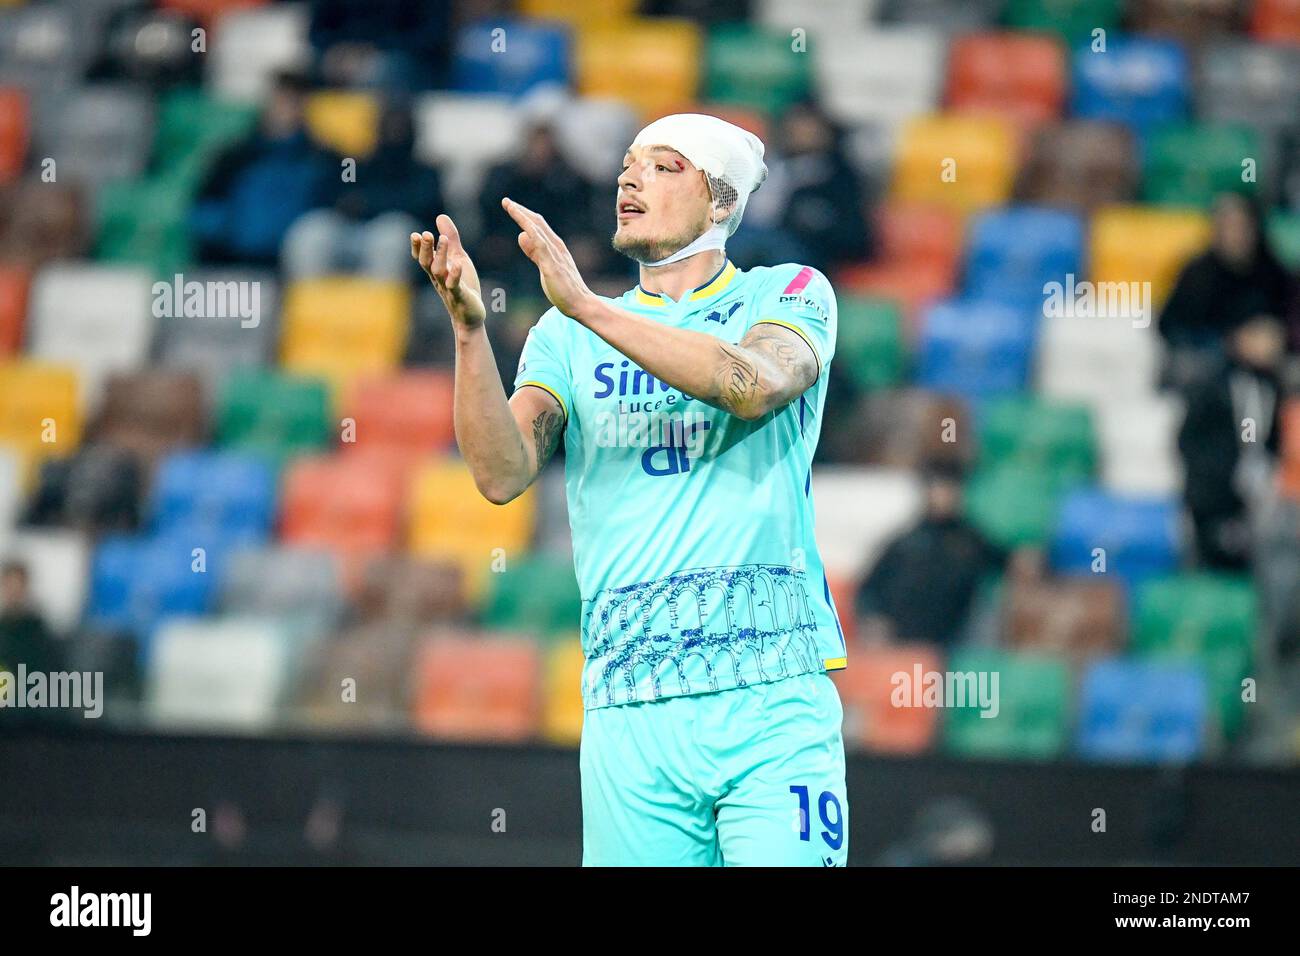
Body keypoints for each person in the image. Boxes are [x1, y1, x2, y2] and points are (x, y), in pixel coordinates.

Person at [411, 113, 848, 866]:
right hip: (629, 707)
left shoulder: (788, 292)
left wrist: (587, 304)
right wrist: (470, 334)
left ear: (721, 202)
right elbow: (501, 472)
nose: (629, 178)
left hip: (770, 698)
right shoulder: (565, 336)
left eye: (664, 166)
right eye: (627, 165)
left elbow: (754, 383)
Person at [191, 72, 341, 267]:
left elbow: (330, 215)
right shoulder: (234, 155)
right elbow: (203, 209)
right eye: (279, 99)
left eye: (293, 101)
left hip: (294, 270)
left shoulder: (325, 159)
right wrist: (228, 232)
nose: (284, 108)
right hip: (232, 262)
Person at [282, 102, 442, 281]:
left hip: (390, 238)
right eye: (389, 126)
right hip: (349, 231)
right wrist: (333, 158)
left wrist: (369, 204)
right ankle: (309, 306)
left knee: (389, 240)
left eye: (400, 127)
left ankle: (381, 307)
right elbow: (342, 191)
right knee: (312, 234)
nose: (394, 133)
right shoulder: (357, 164)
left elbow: (421, 205)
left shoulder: (424, 172)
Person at [1177, 314, 1287, 570]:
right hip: (1213, 498)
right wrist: (1214, 480)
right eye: (1259, 334)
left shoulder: (1273, 387)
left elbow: (1272, 441)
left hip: (1257, 498)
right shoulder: (1214, 385)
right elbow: (1188, 439)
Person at [1158, 191, 1294, 392]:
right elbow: (1171, 327)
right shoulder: (1196, 275)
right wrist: (1231, 343)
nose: (1235, 235)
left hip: (1269, 371)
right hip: (1210, 366)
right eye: (1228, 226)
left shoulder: (1276, 274)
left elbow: (1290, 320)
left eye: (1242, 226)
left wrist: (1278, 338)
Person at [855, 466, 1004, 647]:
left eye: (950, 490)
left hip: (956, 640)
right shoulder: (905, 542)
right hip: (903, 639)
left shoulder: (972, 542)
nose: (944, 496)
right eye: (938, 489)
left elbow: (1005, 564)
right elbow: (869, 590)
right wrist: (874, 619)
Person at [0, 560, 59, 674]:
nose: (13, 592)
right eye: (9, 585)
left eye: (17, 586)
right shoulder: (3, 627)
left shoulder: (36, 629)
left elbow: (47, 666)